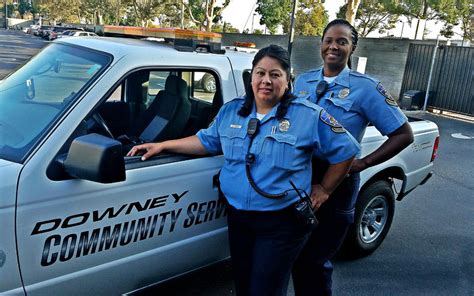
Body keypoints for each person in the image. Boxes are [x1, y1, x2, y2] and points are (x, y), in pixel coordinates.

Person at [128, 44, 360, 296]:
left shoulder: (309, 115)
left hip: (282, 222)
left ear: (288, 79)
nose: (266, 81)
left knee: (265, 289)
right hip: (239, 218)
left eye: (275, 74)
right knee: (243, 283)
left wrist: (325, 188)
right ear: (251, 78)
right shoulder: (231, 111)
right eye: (260, 73)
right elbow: (206, 141)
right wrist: (162, 145)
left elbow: (346, 150)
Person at [291, 19, 415, 296]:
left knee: (314, 260)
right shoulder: (303, 81)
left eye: (342, 41)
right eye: (329, 40)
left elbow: (403, 134)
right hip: (299, 176)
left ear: (353, 47)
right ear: (321, 44)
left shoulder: (366, 87)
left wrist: (363, 163)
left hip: (337, 181)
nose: (333, 46)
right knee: (295, 256)